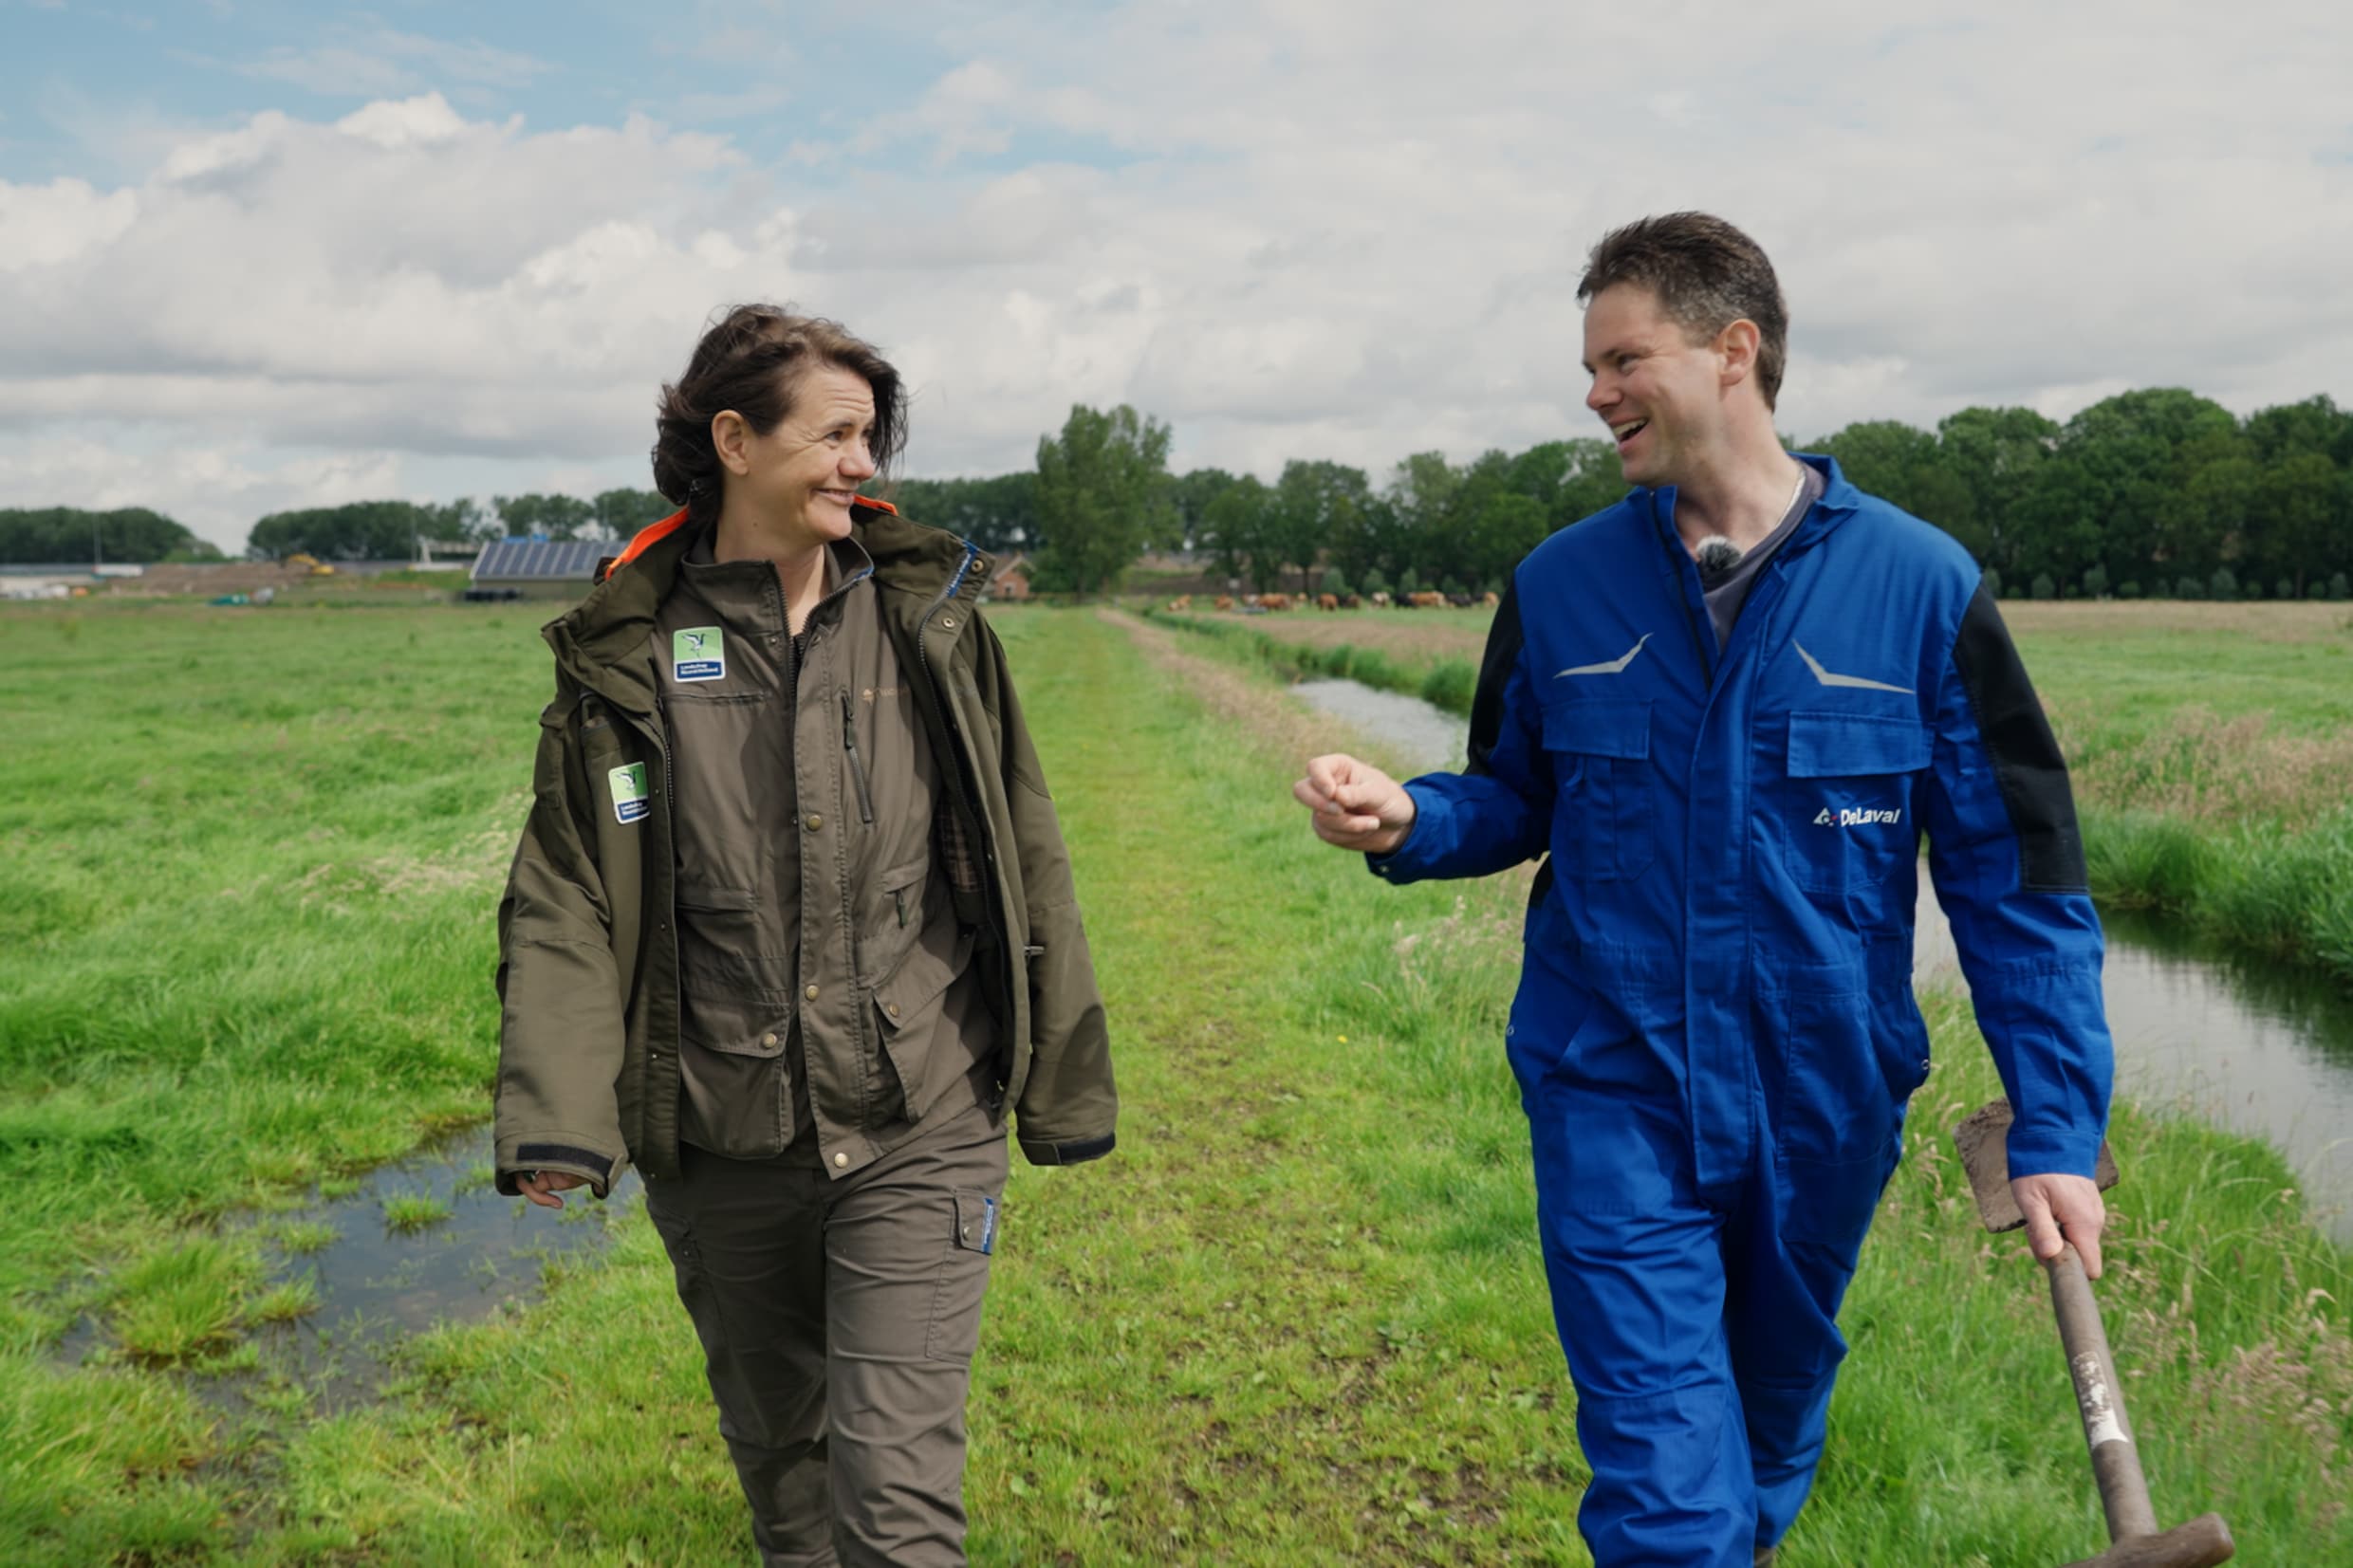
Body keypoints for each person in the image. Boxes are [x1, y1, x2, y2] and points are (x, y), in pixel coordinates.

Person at [1293, 213, 2112, 1567]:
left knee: (1769, 1437)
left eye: (1624, 357)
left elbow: (2016, 882)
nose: (1596, 391)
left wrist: (2060, 1126)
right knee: (1671, 1499)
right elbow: (1511, 791)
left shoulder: (1920, 586)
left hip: (1826, 1102)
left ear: (1734, 350)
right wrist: (1409, 817)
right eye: (1590, 365)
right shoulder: (1561, 586)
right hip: (1614, 1085)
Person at [492, 304, 1118, 1566]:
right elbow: (569, 891)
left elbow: (1022, 849)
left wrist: (1058, 1078)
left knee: (892, 1507)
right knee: (792, 1490)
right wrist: (558, 1114)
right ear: (734, 438)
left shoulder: (924, 625)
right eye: (836, 434)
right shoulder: (629, 655)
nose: (863, 463)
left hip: (917, 1115)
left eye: (871, 437)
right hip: (718, 1137)